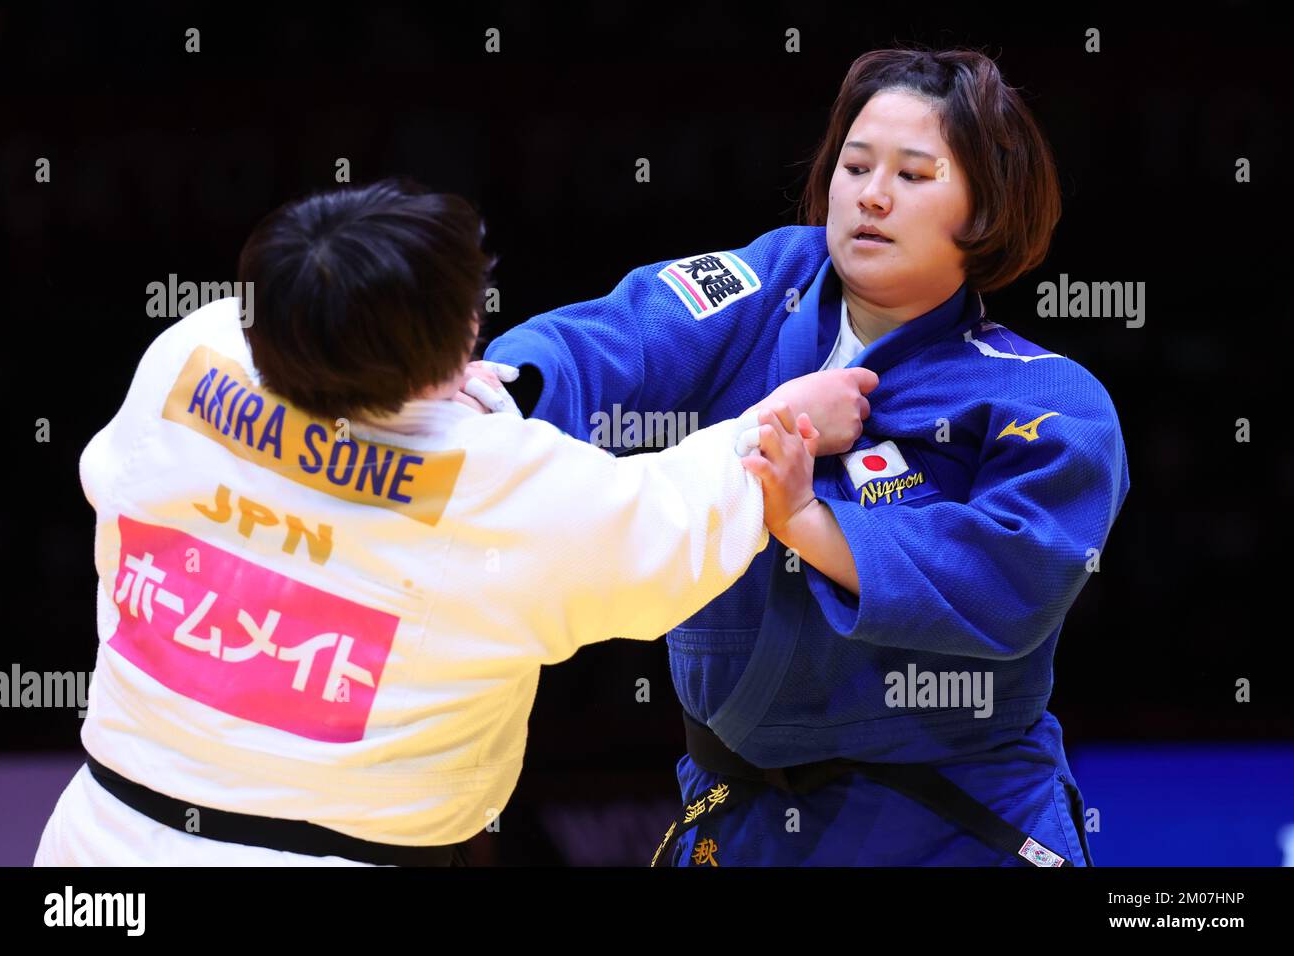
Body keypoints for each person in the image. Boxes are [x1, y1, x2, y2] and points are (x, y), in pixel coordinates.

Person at [33, 178, 868, 866]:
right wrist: (783, 421)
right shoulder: (494, 484)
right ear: (452, 341)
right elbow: (666, 529)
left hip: (97, 849)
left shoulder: (190, 353)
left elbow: (110, 477)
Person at [479, 47, 1130, 866]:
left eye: (915, 175)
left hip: (955, 823)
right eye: (855, 166)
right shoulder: (768, 284)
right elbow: (624, 337)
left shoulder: (1046, 398)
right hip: (744, 813)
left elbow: (1015, 574)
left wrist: (810, 521)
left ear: (987, 208)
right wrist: (497, 395)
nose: (873, 194)